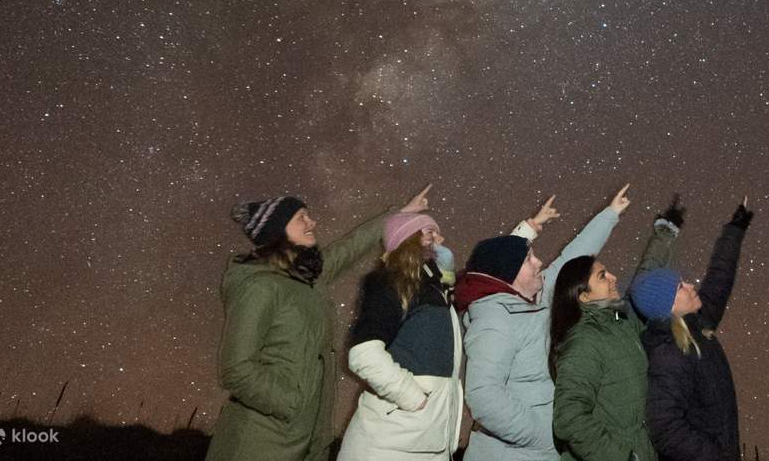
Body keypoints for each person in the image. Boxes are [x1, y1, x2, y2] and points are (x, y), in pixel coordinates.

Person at [204, 186, 430, 461]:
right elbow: (236, 369)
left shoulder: (307, 277)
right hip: (261, 443)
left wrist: (400, 213)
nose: (313, 222)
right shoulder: (259, 286)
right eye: (301, 217)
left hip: (308, 439)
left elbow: (349, 247)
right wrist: (293, 405)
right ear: (278, 230)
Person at [455, 187, 634, 461]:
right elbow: (483, 397)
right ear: (509, 276)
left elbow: (570, 258)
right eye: (529, 259)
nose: (539, 262)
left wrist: (609, 215)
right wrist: (544, 436)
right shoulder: (494, 320)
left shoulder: (535, 297)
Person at [549, 196, 686, 461]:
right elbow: (569, 418)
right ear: (583, 296)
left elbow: (644, 278)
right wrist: (624, 458)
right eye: (602, 276)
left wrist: (665, 233)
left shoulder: (619, 321)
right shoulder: (583, 343)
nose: (613, 277)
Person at [627, 200, 754, 461]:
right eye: (679, 287)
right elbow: (663, 426)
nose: (689, 285)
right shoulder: (668, 354)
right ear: (668, 305)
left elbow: (719, 278)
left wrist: (734, 231)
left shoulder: (697, 323)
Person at [336, 197, 461, 461]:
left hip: (425, 444)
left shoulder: (435, 290)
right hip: (390, 445)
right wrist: (414, 400)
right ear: (408, 239)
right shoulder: (389, 282)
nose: (439, 238)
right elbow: (363, 354)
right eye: (429, 232)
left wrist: (446, 275)